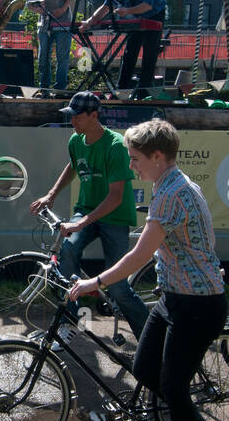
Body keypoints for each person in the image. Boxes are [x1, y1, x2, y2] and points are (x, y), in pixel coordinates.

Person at [67, 119, 226, 421]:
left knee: (173, 387)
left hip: (197, 304)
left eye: (135, 158)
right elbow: (158, 239)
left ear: (158, 156)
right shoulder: (169, 184)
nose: (131, 165)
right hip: (174, 297)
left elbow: (139, 255)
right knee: (144, 369)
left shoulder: (173, 191)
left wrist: (96, 282)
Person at [30, 90, 149, 344]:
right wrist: (50, 195)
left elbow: (116, 197)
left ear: (94, 115)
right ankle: (70, 321)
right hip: (85, 209)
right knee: (68, 253)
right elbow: (73, 165)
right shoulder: (76, 140)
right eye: (70, 116)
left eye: (77, 117)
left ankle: (151, 341)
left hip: (114, 216)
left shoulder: (116, 146)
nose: (72, 121)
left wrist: (82, 222)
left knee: (118, 287)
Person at [80, 0, 167, 97]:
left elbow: (147, 5)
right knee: (129, 53)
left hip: (154, 16)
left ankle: (143, 92)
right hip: (135, 18)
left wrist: (127, 11)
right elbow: (106, 6)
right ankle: (122, 89)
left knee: (149, 54)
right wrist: (90, 21)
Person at [23, 0, 81, 92]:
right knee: (43, 57)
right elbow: (29, 4)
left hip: (63, 23)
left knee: (62, 57)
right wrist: (36, 9)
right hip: (44, 24)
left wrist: (62, 9)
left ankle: (60, 89)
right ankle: (44, 88)